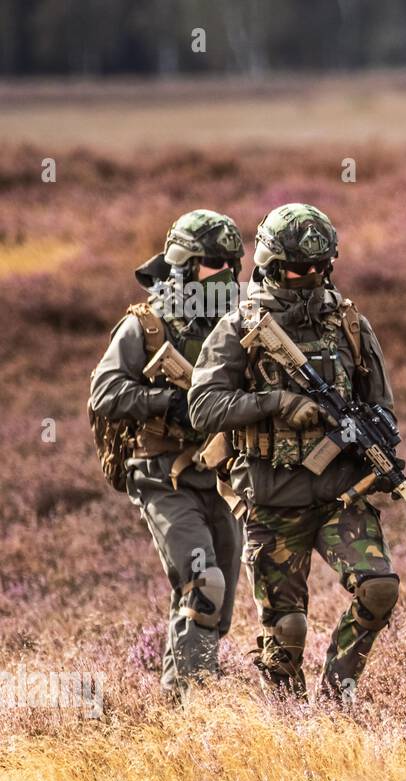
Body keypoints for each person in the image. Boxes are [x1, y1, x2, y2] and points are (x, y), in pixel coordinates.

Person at [189, 203, 399, 702]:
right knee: (286, 631)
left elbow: (381, 405)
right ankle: (289, 729)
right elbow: (203, 406)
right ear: (270, 263)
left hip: (340, 496)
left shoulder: (349, 324)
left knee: (379, 590)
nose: (308, 277)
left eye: (318, 267)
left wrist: (379, 446)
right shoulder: (240, 326)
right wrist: (279, 403)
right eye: (296, 268)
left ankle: (336, 694)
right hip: (271, 498)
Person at [89, 210, 245, 703]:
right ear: (181, 266)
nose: (222, 274)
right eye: (209, 264)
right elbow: (105, 391)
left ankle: (179, 696)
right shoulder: (147, 326)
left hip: (222, 477)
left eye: (229, 264)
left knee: (219, 606)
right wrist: (167, 400)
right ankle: (194, 713)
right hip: (162, 475)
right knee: (204, 582)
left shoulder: (240, 324)